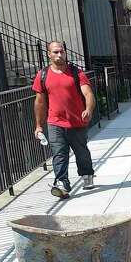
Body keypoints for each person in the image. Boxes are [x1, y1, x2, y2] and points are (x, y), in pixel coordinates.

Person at [33, 40, 95, 199]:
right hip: (55, 122)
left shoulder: (76, 72)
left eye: (61, 51)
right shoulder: (43, 75)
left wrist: (88, 109)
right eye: (55, 52)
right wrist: (39, 125)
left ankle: (87, 174)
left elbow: (88, 94)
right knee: (59, 153)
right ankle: (62, 184)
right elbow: (39, 102)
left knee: (81, 152)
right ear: (49, 54)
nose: (59, 54)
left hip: (76, 122)